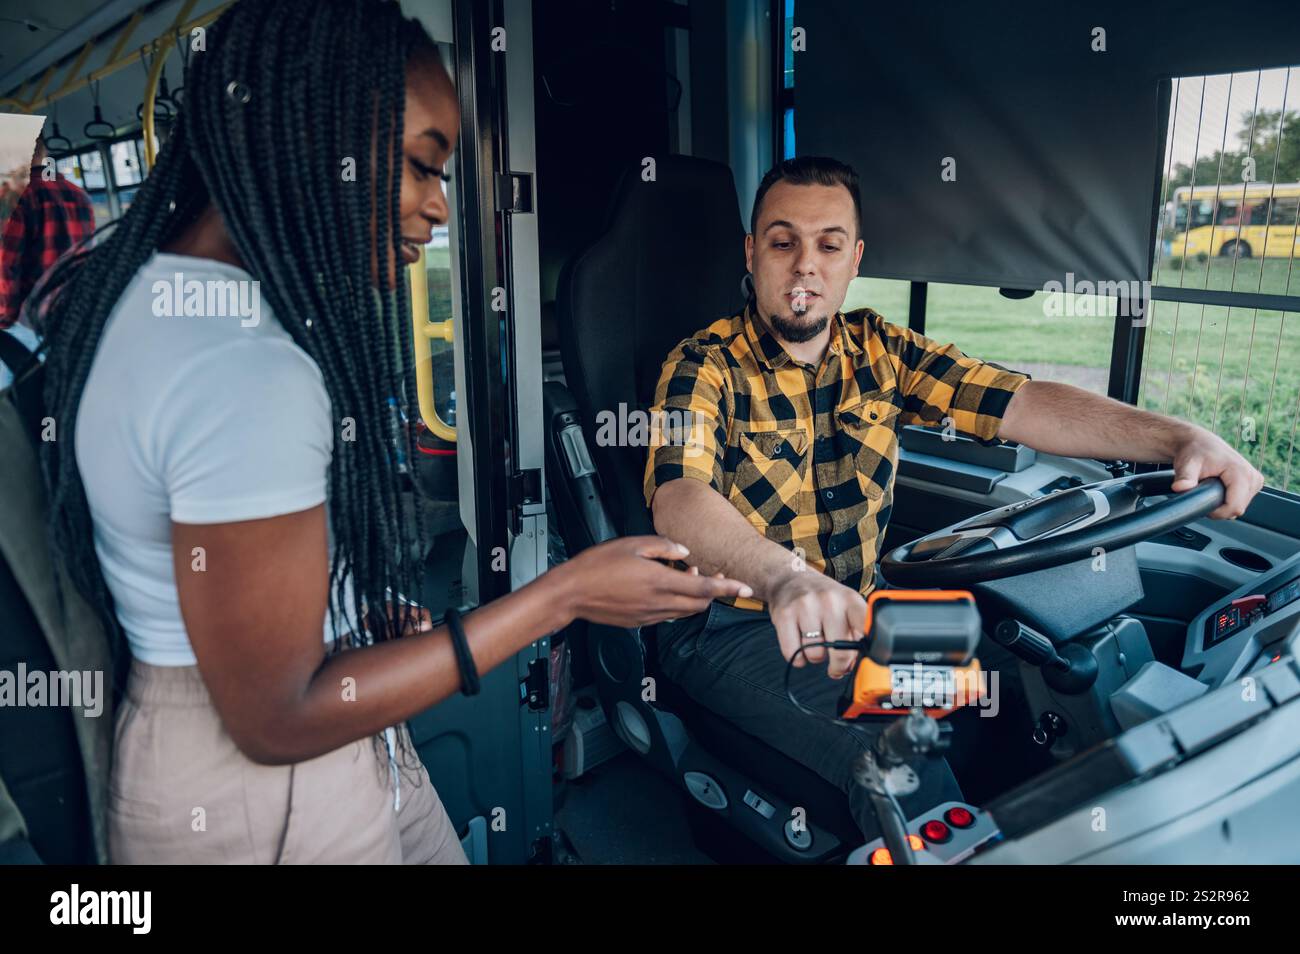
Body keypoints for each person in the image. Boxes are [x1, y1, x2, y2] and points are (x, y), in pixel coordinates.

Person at [30, 0, 748, 865]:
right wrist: (562, 596)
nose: (440, 209)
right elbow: (278, 715)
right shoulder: (245, 370)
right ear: (310, 136)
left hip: (298, 739)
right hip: (262, 792)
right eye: (421, 167)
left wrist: (342, 614)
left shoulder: (150, 294)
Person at [644, 155, 1266, 839]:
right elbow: (680, 493)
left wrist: (1179, 437)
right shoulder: (702, 363)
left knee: (1023, 670)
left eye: (827, 245)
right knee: (897, 746)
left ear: (854, 259)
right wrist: (785, 578)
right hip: (730, 630)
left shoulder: (880, 349)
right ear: (752, 252)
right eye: (782, 241)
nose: (803, 267)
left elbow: (1021, 402)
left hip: (860, 614)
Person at [0, 136, 94, 329]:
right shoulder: (80, 195)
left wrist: (4, 321)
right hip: (75, 312)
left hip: (29, 320)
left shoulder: (12, 197)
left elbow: (4, 266)